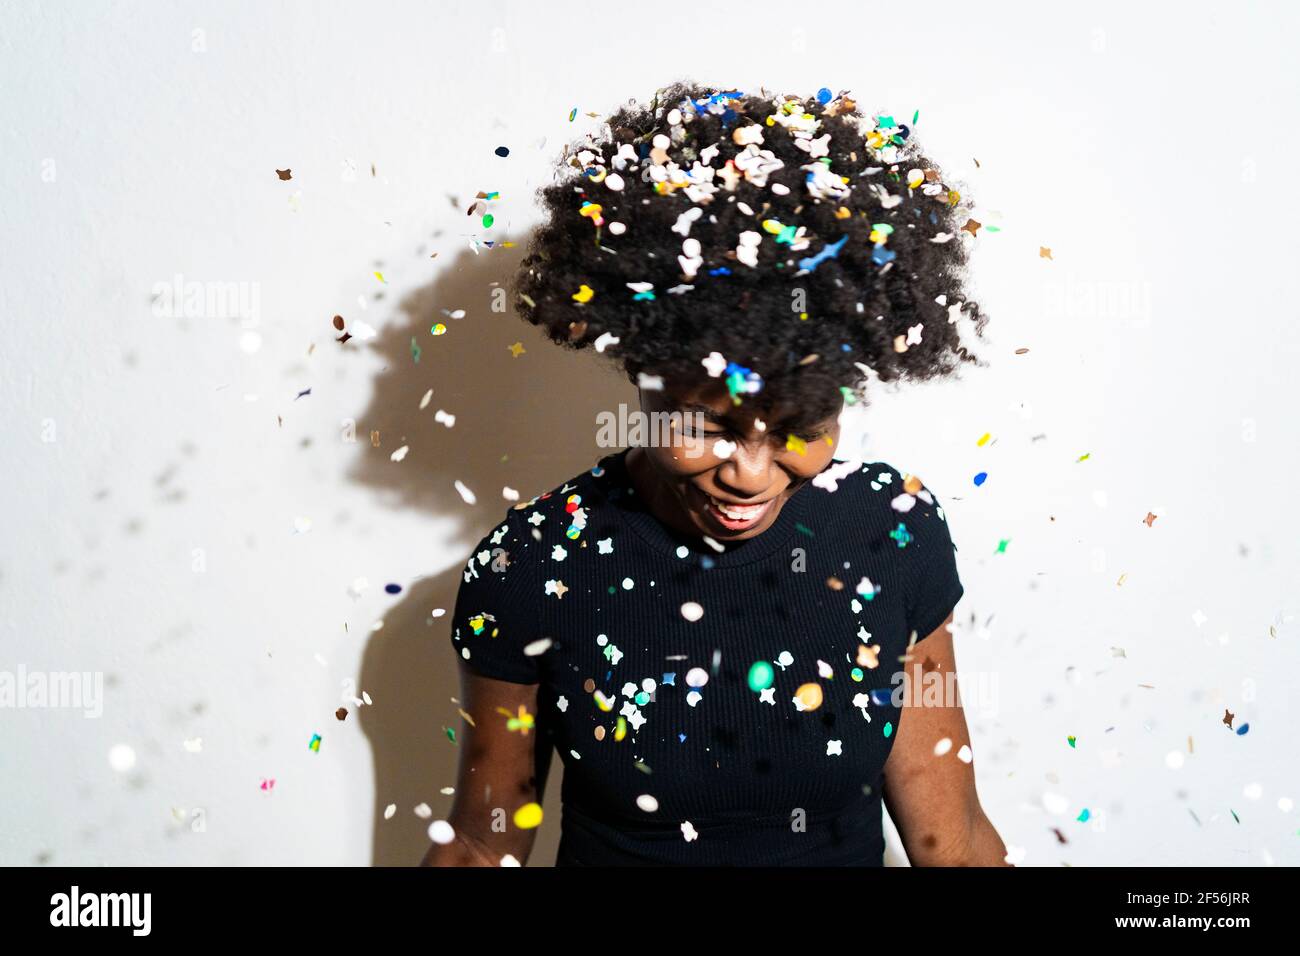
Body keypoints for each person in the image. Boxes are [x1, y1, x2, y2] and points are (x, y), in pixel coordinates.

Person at [422, 81, 1010, 866]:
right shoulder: (533, 563)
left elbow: (956, 839)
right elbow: (480, 843)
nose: (753, 474)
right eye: (710, 427)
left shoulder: (890, 531)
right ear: (639, 366)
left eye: (802, 425)